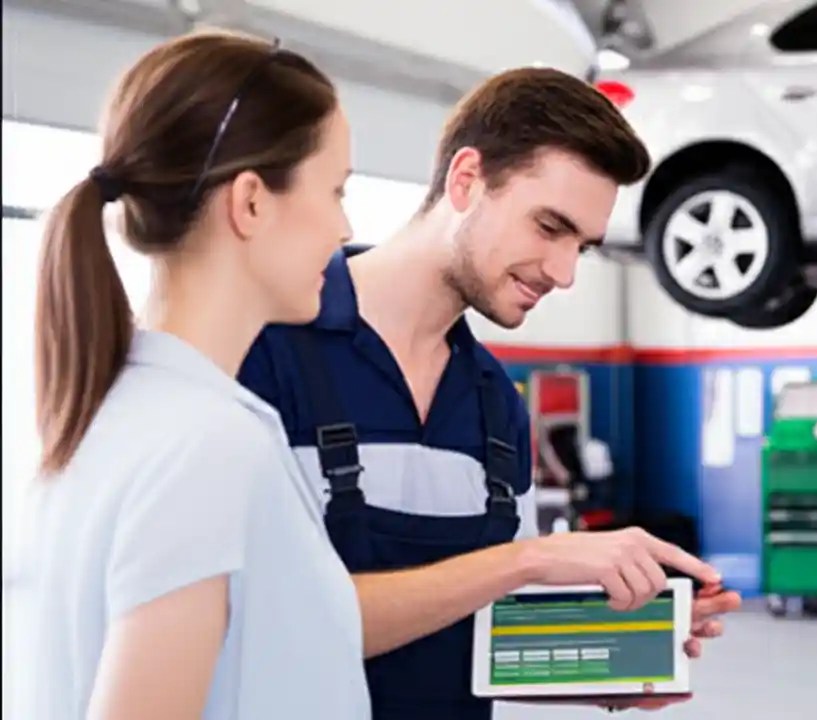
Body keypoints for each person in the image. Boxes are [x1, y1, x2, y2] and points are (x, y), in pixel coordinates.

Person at [236, 67, 743, 719]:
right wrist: (529, 561)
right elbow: (259, 625)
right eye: (548, 227)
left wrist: (617, 665)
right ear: (466, 180)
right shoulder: (265, 351)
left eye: (581, 248)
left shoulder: (497, 408)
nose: (562, 273)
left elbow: (481, 645)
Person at [7, 31, 370, 719]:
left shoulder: (107, 420)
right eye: (335, 190)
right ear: (252, 202)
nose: (344, 228)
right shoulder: (208, 447)